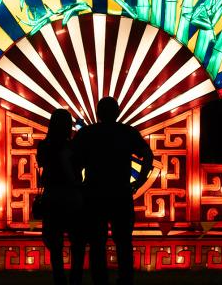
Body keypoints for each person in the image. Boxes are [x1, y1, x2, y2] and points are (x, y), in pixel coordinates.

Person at [72, 97, 153, 285]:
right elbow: (147, 155)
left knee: (96, 243)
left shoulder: (87, 133)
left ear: (98, 113)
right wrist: (139, 181)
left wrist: (79, 184)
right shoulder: (127, 132)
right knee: (124, 242)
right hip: (121, 193)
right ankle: (125, 279)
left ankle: (100, 281)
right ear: (117, 112)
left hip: (94, 194)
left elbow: (73, 161)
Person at [37, 109, 85, 285]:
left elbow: (41, 164)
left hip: (52, 196)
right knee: (77, 242)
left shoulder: (44, 146)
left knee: (55, 243)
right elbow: (79, 165)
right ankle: (75, 279)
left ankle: (59, 278)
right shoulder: (73, 146)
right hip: (72, 196)